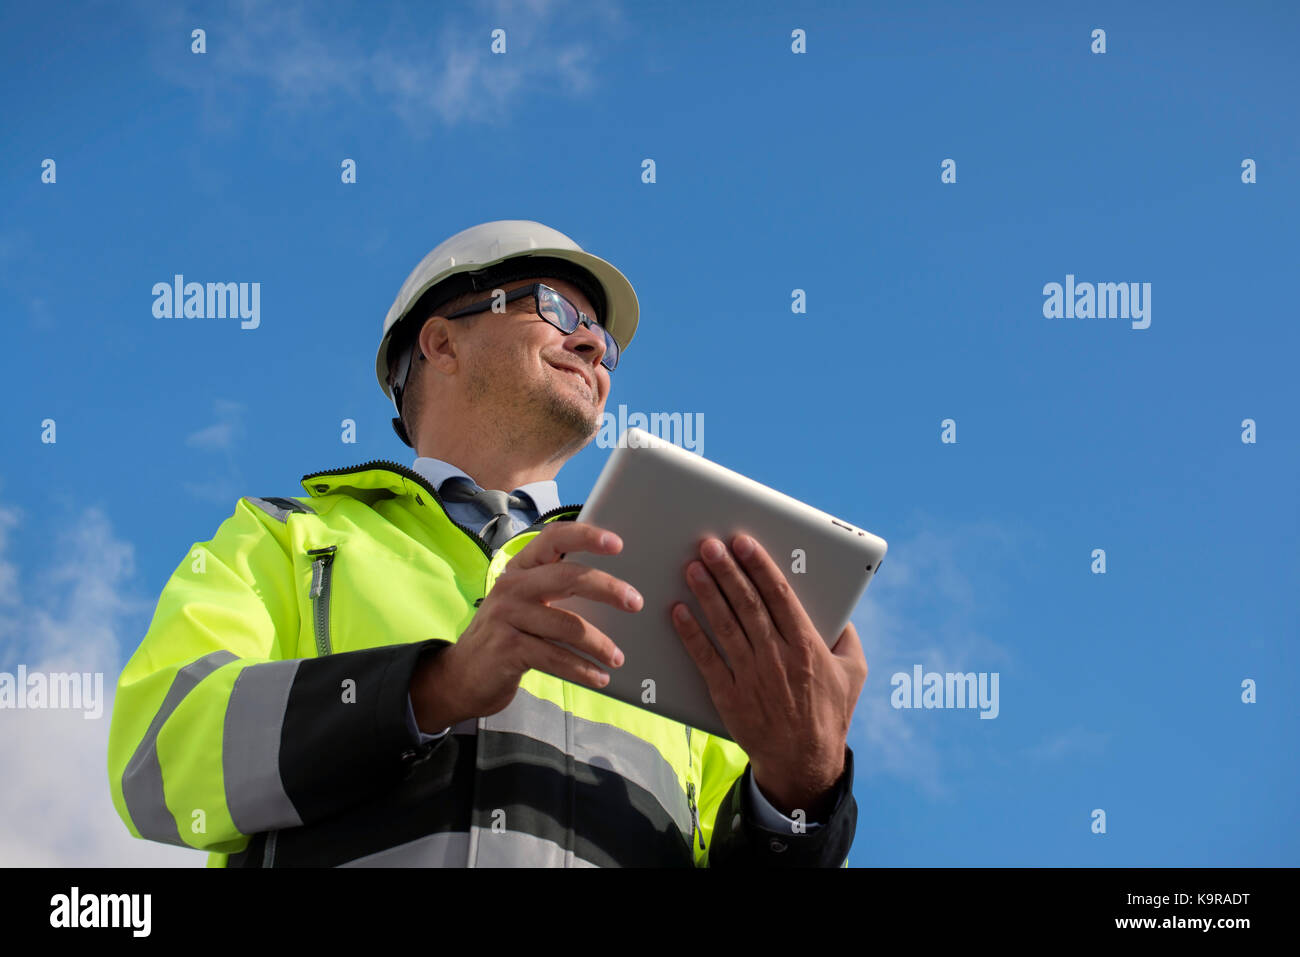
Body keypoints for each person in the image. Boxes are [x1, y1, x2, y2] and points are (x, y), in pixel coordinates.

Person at [107, 219, 867, 867]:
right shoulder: (287, 538)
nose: (595, 347)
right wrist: (432, 687)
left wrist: (801, 788)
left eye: (602, 337)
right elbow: (157, 758)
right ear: (441, 342)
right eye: (560, 311)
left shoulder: (659, 585)